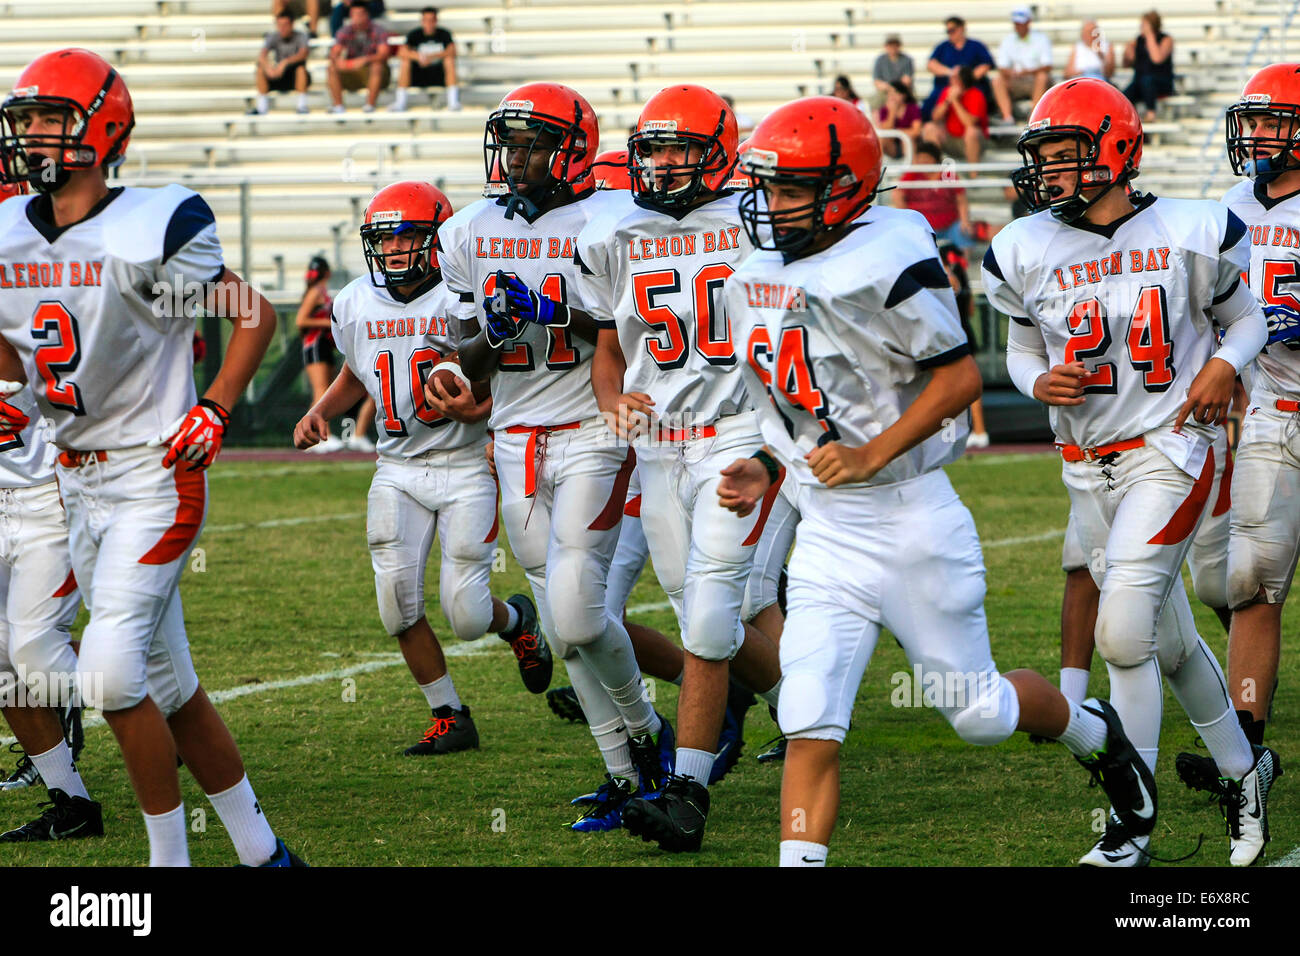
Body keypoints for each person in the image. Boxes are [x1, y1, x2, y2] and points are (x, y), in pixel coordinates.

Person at [720, 96, 1158, 868]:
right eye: (769, 187)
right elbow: (790, 407)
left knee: (981, 715)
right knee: (807, 710)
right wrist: (764, 465)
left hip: (913, 519)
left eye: (792, 190)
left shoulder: (886, 255)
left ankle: (1096, 732)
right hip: (827, 530)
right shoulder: (752, 274)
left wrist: (870, 454)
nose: (771, 205)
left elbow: (958, 381)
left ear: (845, 187)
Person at [0, 48, 304, 866]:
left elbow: (252, 313)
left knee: (107, 679)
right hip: (73, 481)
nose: (31, 135)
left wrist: (217, 403)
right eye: (23, 119)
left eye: (48, 119)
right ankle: (262, 853)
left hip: (153, 473)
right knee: (170, 686)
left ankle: (167, 862)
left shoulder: (155, 223)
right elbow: (14, 345)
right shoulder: (5, 232)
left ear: (102, 125)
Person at [990, 77, 1276, 866]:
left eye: (1065, 155)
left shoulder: (1192, 228)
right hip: (1085, 467)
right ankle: (1246, 776)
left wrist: (1222, 366)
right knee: (1170, 643)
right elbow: (1020, 349)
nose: (1049, 173)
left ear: (1116, 152)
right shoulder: (1021, 246)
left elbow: (1246, 319)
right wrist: (1033, 382)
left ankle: (1131, 824)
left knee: (1121, 635)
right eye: (1041, 157)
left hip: (1171, 450)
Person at [436, 82, 676, 822]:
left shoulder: (614, 220)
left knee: (574, 613)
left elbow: (625, 335)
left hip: (592, 433)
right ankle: (627, 773)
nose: (515, 155)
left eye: (532, 141)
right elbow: (470, 352)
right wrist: (464, 364)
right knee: (563, 619)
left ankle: (650, 730)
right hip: (513, 438)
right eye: (509, 141)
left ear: (571, 150)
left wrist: (555, 312)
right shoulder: (472, 229)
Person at [578, 84, 789, 852]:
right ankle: (806, 702)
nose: (663, 165)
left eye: (680, 149)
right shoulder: (613, 229)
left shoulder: (755, 220)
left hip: (737, 429)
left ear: (722, 150)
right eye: (654, 149)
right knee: (717, 621)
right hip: (660, 446)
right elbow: (607, 346)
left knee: (707, 616)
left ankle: (688, 792)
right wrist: (611, 402)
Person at [293, 181, 551, 756]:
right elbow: (358, 372)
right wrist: (320, 411)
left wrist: (479, 409)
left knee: (465, 613)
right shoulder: (355, 300)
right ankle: (449, 714)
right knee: (396, 603)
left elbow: (508, 374)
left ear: (436, 238)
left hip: (464, 463)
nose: (393, 250)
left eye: (406, 235)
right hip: (396, 465)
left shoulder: (464, 296)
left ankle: (516, 623)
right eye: (383, 239)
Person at [1173, 63, 1300, 797]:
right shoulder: (1230, 205)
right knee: (1253, 583)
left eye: (1271, 121)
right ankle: (1247, 749)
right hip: (1274, 415)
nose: (1254, 135)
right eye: (1250, 121)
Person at [0, 382, 97, 839]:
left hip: (47, 497)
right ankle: (73, 804)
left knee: (35, 652)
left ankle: (159, 705)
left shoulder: (21, 313)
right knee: (2, 665)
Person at [937, 241, 989, 448]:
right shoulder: (962, 279)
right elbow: (971, 312)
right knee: (969, 385)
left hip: (953, 336)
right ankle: (978, 430)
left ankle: (954, 434)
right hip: (967, 333)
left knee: (950, 387)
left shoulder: (946, 279)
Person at [893, 141, 973, 248]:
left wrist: (964, 221)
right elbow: (898, 194)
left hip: (949, 225)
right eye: (920, 158)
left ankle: (963, 263)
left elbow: (961, 200)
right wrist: (908, 219)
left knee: (964, 231)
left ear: (935, 159)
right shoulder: (912, 174)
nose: (922, 161)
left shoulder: (947, 174)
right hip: (922, 227)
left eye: (926, 157)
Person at [921, 16, 995, 121]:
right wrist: (951, 73)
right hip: (945, 87)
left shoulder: (975, 46)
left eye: (952, 30)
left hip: (971, 87)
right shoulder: (943, 47)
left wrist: (965, 78)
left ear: (961, 29)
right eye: (948, 31)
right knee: (930, 104)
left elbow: (986, 65)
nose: (950, 33)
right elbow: (931, 64)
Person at [392, 7, 460, 113]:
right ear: (422, 21)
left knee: (449, 60)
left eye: (431, 20)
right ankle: (400, 102)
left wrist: (432, 57)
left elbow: (453, 51)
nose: (429, 23)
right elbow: (401, 52)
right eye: (426, 20)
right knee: (405, 62)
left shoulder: (444, 34)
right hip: (419, 74)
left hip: (439, 75)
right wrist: (419, 57)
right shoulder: (414, 34)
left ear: (436, 21)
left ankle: (453, 102)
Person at [327, 0, 391, 114]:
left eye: (360, 14)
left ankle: (370, 106)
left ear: (367, 14)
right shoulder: (345, 31)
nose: (357, 18)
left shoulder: (378, 30)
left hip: (372, 71)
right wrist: (339, 61)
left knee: (377, 66)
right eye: (354, 14)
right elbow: (334, 52)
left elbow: (384, 54)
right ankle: (338, 106)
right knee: (332, 68)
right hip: (353, 70)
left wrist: (365, 60)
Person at [991, 7, 1052, 123]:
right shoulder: (1008, 40)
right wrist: (1011, 73)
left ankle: (1034, 119)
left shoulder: (1041, 39)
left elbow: (1047, 66)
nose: (1018, 26)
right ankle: (1007, 117)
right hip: (1016, 80)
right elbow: (1002, 67)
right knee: (997, 80)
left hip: (1034, 80)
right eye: (1016, 23)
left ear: (1028, 22)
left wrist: (1027, 72)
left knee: (1042, 77)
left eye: (1021, 23)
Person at [924, 65, 988, 168]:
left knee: (971, 132)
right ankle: (935, 173)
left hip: (974, 141)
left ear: (962, 79)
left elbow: (969, 123)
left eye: (954, 77)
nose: (950, 79)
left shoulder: (976, 94)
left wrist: (955, 101)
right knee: (929, 127)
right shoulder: (946, 92)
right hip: (951, 140)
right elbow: (935, 117)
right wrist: (947, 101)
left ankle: (973, 176)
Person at [253, 10, 311, 115]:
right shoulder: (273, 36)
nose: (282, 28)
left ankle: (302, 106)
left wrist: (285, 62)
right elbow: (262, 56)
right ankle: (262, 107)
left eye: (285, 25)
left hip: (294, 75)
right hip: (279, 74)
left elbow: (303, 54)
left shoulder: (300, 36)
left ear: (292, 24)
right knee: (260, 69)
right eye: (279, 25)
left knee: (300, 69)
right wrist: (268, 68)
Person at [1123, 10, 1174, 121]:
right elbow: (1127, 64)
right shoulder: (1139, 40)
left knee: (1147, 80)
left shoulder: (1166, 39)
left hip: (1160, 82)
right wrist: (1128, 50)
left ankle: (1151, 113)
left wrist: (1150, 36)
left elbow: (1157, 58)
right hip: (1140, 83)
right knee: (1124, 95)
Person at [876, 80, 922, 159]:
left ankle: (911, 169)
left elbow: (916, 131)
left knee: (908, 139)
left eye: (896, 93)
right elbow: (886, 131)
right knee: (881, 140)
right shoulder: (884, 110)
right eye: (889, 93)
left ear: (903, 95)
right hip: (893, 147)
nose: (892, 96)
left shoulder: (912, 108)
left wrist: (898, 133)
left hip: (910, 144)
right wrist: (892, 113)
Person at [872, 34, 914, 108]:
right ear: (886, 46)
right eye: (890, 45)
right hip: (886, 91)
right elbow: (877, 82)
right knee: (875, 102)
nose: (893, 47)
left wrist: (895, 91)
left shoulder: (907, 59)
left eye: (895, 44)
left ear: (899, 46)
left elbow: (907, 80)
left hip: (901, 90)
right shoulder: (880, 60)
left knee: (911, 101)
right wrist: (890, 90)